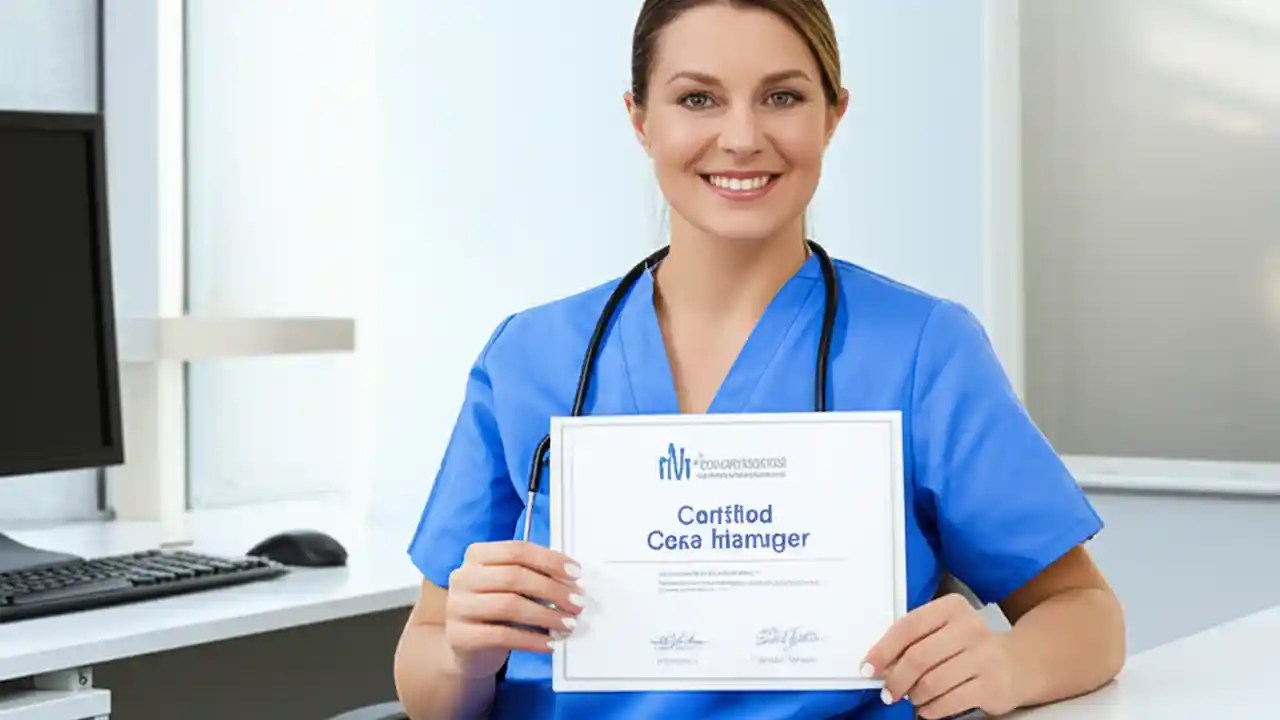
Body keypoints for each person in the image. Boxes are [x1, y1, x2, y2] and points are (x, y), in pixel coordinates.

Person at [392, 0, 1126, 717]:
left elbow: (1084, 611)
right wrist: (465, 654)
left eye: (781, 96)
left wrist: (1006, 664)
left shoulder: (922, 348)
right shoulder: (530, 356)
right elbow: (424, 672)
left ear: (833, 115)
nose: (742, 138)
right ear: (640, 120)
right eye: (698, 99)